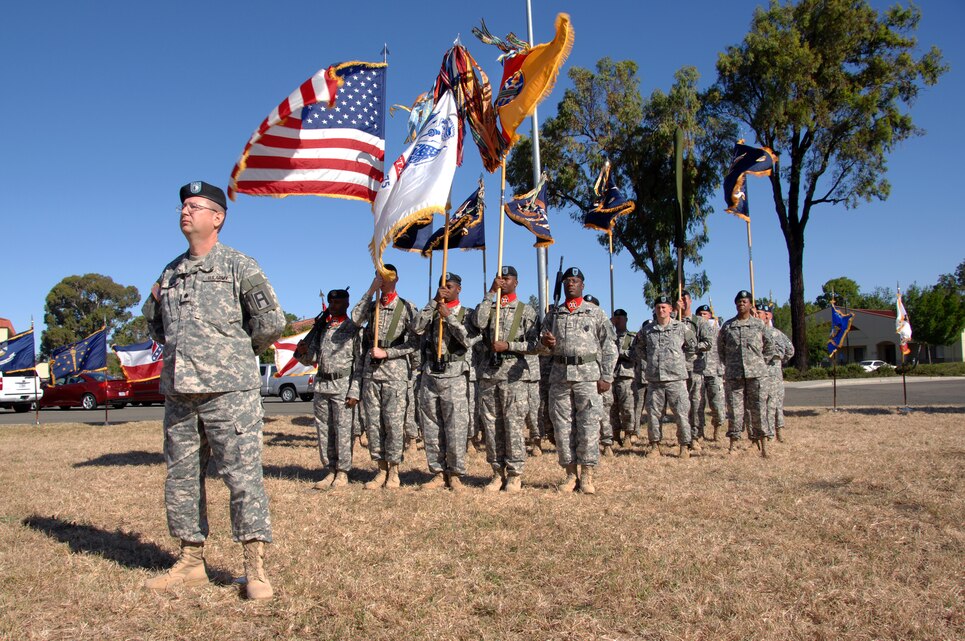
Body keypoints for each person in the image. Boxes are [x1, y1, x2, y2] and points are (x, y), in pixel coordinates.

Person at [142, 181, 285, 600]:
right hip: (180, 394)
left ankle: (254, 568)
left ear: (217, 217)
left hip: (229, 393)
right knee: (181, 479)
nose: (185, 212)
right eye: (182, 207)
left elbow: (270, 323)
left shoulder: (239, 266)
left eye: (194, 206)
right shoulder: (170, 273)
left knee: (242, 478)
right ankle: (190, 561)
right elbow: (155, 324)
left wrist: (234, 355)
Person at [540, 267, 617, 494]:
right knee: (562, 428)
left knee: (589, 426)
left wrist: (606, 376)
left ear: (583, 285)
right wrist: (546, 343)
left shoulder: (595, 313)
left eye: (575, 281)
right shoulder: (553, 314)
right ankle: (570, 474)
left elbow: (610, 346)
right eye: (567, 281)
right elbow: (540, 347)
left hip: (588, 376)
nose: (570, 284)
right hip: (560, 376)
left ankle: (588, 476)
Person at [471, 266, 540, 492]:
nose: (502, 282)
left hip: (514, 375)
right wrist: (490, 292)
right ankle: (497, 472)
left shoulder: (526, 311)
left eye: (506, 278)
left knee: (513, 425)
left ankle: (514, 473)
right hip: (489, 374)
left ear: (516, 282)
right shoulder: (489, 307)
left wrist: (509, 345)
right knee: (491, 426)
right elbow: (478, 323)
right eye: (499, 278)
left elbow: (535, 345)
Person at [410, 272, 477, 491]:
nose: (444, 289)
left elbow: (468, 339)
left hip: (455, 375)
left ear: (458, 289)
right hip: (431, 374)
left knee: (456, 427)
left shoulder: (468, 314)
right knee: (431, 426)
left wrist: (449, 316)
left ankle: (455, 473)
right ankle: (438, 472)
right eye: (441, 286)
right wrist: (433, 303)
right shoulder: (432, 310)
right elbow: (416, 327)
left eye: (449, 286)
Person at [352, 266, 418, 489]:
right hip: (372, 373)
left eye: (387, 277)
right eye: (380, 276)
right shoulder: (372, 308)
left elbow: (415, 343)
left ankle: (394, 471)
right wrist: (371, 290)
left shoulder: (407, 308)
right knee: (373, 423)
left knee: (393, 423)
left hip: (395, 373)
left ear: (396, 279)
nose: (384, 280)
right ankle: (380, 469)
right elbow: (355, 319)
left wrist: (388, 352)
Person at [295, 288, 361, 490]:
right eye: (331, 303)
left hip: (342, 386)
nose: (333, 306)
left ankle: (342, 472)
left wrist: (354, 391)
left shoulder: (354, 329)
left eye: (338, 303)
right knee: (324, 431)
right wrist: (303, 352)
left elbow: (359, 365)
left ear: (347, 304)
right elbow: (311, 359)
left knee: (342, 431)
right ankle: (330, 469)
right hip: (322, 385)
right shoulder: (322, 328)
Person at [633, 295, 700, 459]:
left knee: (681, 413)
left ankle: (684, 445)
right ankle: (655, 445)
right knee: (654, 414)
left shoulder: (681, 328)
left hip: (676, 378)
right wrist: (650, 360)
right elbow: (638, 347)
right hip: (655, 379)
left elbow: (692, 347)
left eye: (664, 307)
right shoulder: (647, 330)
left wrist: (682, 361)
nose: (661, 310)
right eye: (658, 308)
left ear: (671, 309)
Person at [717, 290, 776, 457]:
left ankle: (762, 444)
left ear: (750, 304)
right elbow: (721, 349)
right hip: (734, 375)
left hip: (756, 375)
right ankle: (733, 444)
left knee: (758, 409)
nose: (741, 304)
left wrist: (760, 363)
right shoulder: (728, 326)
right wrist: (729, 365)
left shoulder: (759, 325)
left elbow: (770, 347)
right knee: (735, 411)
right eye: (739, 302)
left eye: (744, 301)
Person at [677, 291, 712, 450]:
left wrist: (693, 346)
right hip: (677, 369)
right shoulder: (672, 321)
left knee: (696, 403)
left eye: (685, 299)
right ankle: (683, 437)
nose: (683, 301)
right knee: (680, 405)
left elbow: (708, 343)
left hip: (695, 367)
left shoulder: (699, 322)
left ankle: (696, 436)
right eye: (680, 298)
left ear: (690, 301)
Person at [758, 304, 794, 442]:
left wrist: (779, 362)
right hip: (761, 372)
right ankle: (769, 433)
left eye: (765, 313)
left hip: (774, 373)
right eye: (760, 313)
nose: (763, 316)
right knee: (765, 404)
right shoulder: (757, 332)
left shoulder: (777, 333)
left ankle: (777, 431)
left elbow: (790, 350)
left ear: (769, 316)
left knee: (776, 403)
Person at [694, 304, 726, 441]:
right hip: (698, 371)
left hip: (715, 371)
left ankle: (717, 429)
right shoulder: (693, 330)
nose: (703, 316)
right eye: (700, 314)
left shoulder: (718, 331)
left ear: (710, 316)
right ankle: (699, 432)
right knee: (697, 406)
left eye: (705, 314)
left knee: (718, 405)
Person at [610, 309, 638, 448]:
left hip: (626, 375)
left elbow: (635, 354)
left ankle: (628, 433)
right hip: (611, 376)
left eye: (621, 318)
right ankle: (615, 435)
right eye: (616, 318)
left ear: (626, 319)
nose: (618, 321)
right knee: (612, 408)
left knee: (627, 408)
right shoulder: (610, 337)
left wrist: (619, 353)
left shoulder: (632, 337)